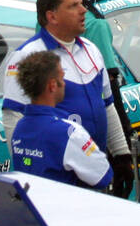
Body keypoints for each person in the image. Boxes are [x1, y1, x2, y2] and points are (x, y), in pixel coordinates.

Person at [0, 0, 133, 195]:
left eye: (81, 4)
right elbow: (13, 117)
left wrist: (121, 154)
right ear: (52, 16)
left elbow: (107, 106)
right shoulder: (27, 56)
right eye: (73, 6)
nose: (84, 11)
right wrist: (26, 170)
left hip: (91, 171)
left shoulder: (91, 49)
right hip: (57, 178)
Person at [45, 0, 129, 135]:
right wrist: (123, 130)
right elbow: (109, 84)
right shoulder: (96, 25)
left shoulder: (46, 17)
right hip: (87, 124)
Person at [10, 51, 113, 189]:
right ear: (52, 85)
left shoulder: (19, 127)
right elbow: (103, 176)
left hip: (31, 207)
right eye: (63, 78)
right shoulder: (69, 133)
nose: (64, 84)